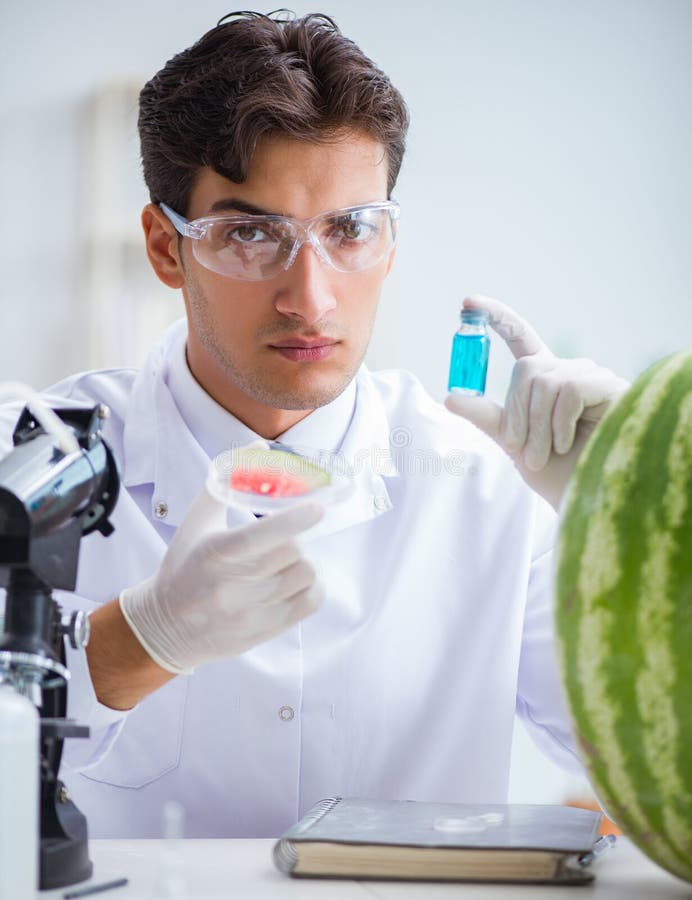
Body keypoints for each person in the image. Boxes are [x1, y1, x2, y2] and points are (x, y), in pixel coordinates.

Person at [0, 11, 628, 839]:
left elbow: (658, 765)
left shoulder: (492, 486)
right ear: (164, 246)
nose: (311, 296)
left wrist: (638, 516)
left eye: (349, 230)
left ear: (390, 239)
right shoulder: (40, 455)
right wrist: (139, 636)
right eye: (252, 234)